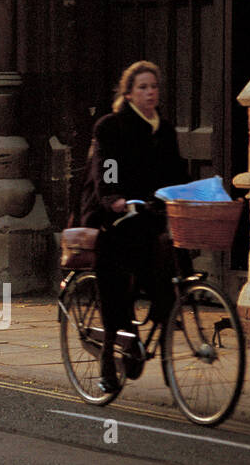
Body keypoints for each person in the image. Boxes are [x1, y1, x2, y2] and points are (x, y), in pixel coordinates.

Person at [79, 60, 189, 394]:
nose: (150, 92)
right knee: (115, 286)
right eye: (142, 87)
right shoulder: (112, 126)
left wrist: (187, 195)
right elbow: (105, 167)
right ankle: (108, 363)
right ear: (128, 93)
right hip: (113, 214)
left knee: (173, 271)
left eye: (153, 86)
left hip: (149, 212)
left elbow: (175, 172)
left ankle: (154, 325)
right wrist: (113, 197)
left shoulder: (164, 129)